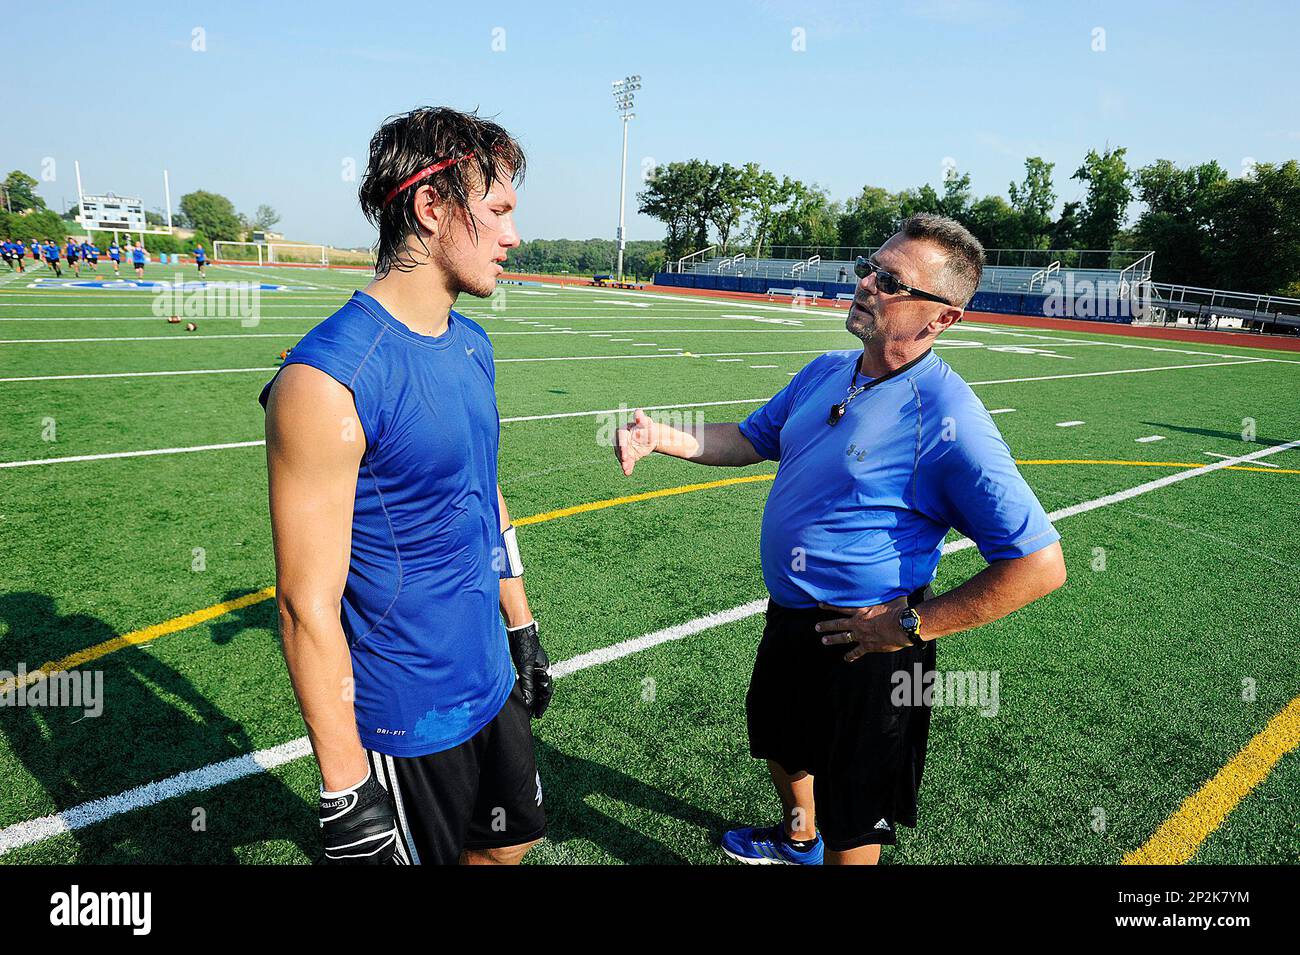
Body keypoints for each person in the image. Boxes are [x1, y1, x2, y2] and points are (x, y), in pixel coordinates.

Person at [614, 213, 1067, 866]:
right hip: (792, 618)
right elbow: (748, 438)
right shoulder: (827, 369)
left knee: (856, 819)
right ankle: (799, 834)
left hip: (872, 645)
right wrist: (661, 435)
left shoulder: (949, 419)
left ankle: (825, 838)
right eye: (869, 267)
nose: (865, 283)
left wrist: (910, 625)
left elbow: (1039, 564)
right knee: (779, 744)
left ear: (942, 319)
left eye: (890, 280)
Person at [260, 106, 550, 866]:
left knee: (508, 847)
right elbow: (303, 602)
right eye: (498, 210)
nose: (514, 235)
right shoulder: (326, 380)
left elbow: (485, 496)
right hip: (405, 711)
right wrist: (345, 788)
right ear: (430, 207)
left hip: (487, 674)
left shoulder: (474, 343)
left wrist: (519, 624)